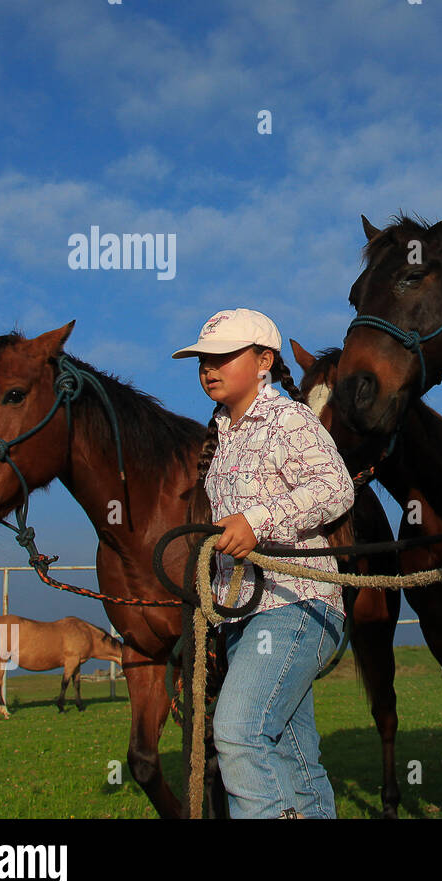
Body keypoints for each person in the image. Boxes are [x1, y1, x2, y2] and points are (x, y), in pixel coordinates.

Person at [173, 308, 354, 818]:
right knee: (293, 755)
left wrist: (258, 519)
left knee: (238, 731)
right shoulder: (222, 435)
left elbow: (335, 489)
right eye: (204, 359)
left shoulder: (288, 419)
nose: (209, 367)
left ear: (263, 361)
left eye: (223, 356)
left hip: (297, 604)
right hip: (243, 616)